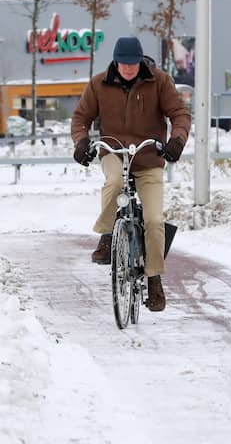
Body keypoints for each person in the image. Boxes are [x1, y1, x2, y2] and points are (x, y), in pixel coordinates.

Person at [71, 37, 191, 312]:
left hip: (149, 157)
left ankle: (154, 278)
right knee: (114, 183)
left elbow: (180, 114)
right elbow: (80, 118)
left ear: (141, 62)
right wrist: (81, 143)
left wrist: (176, 141)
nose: (127, 68)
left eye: (132, 64)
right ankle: (106, 235)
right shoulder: (99, 84)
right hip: (114, 152)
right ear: (115, 62)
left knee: (154, 220)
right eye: (122, 64)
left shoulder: (159, 82)